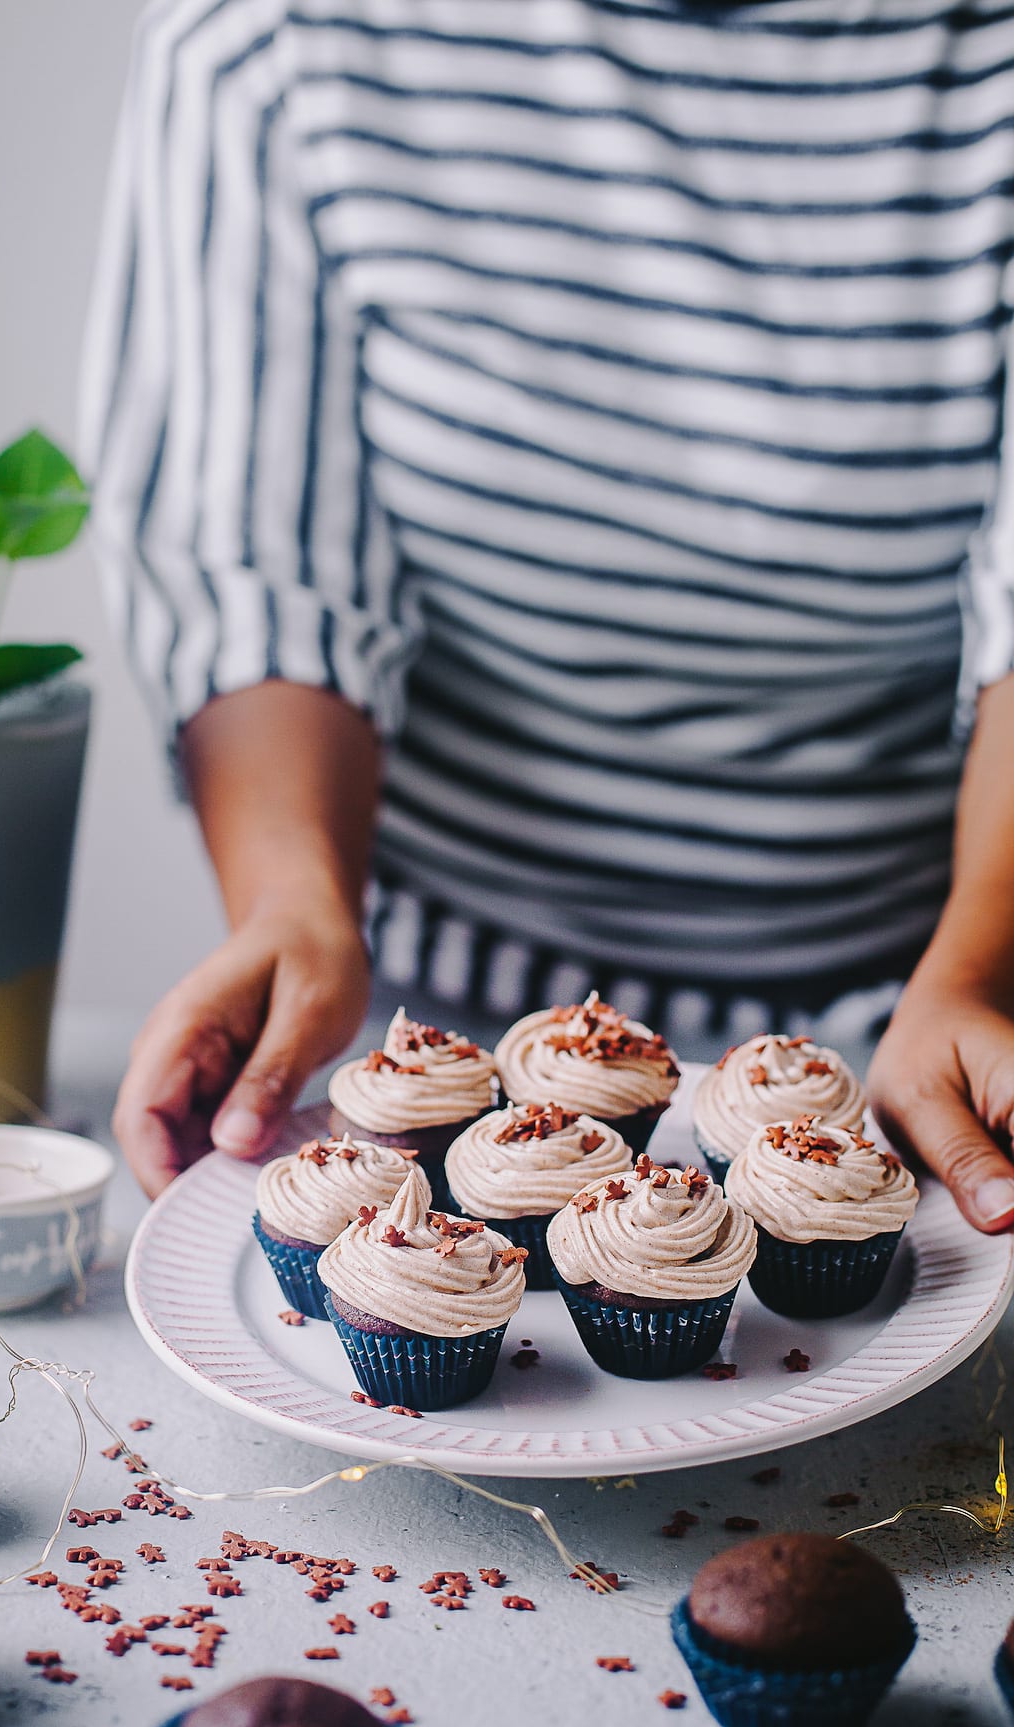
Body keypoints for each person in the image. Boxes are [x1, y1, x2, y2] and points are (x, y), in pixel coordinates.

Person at [82, 0, 1014, 1228]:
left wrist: (972, 970)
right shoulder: (269, 41)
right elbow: (256, 578)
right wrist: (290, 901)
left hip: (927, 1042)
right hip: (432, 1050)